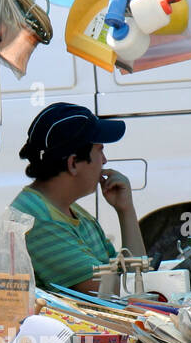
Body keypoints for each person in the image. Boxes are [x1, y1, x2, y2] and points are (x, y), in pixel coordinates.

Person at [11, 103, 145, 293]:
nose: (105, 161)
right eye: (100, 150)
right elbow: (119, 292)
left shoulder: (68, 210)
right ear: (73, 163)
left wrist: (126, 210)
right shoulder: (40, 221)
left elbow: (134, 276)